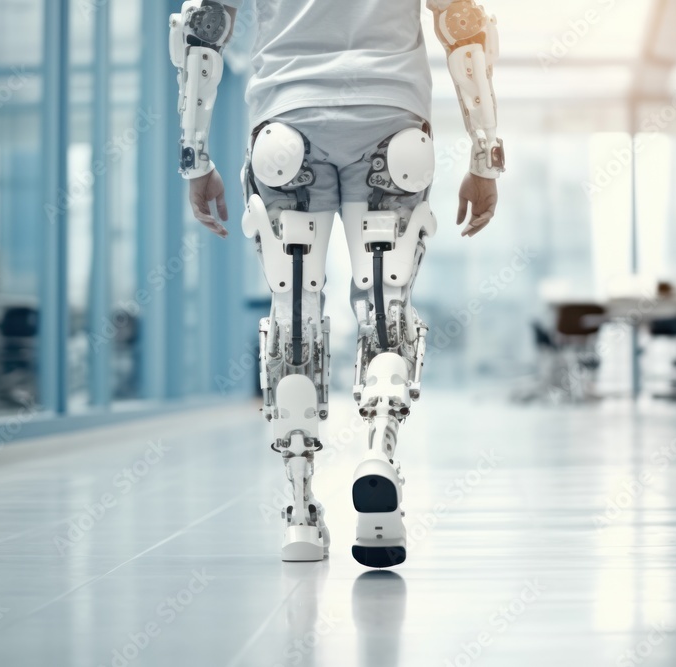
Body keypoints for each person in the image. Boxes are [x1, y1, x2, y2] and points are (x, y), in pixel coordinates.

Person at [169, 0, 504, 567]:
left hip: (286, 120)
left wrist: (195, 157)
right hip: (390, 118)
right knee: (385, 304)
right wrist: (485, 155)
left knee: (293, 311)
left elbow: (202, 27)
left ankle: (300, 515)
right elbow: (464, 24)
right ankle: (378, 454)